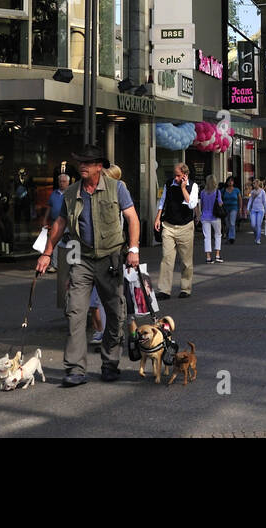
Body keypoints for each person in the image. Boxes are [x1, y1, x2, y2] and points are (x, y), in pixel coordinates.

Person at [35, 144, 140, 386]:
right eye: (80, 162)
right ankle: (75, 369)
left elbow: (132, 217)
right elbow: (61, 222)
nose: (82, 166)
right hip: (81, 259)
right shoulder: (71, 193)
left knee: (115, 313)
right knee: (75, 312)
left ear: (99, 166)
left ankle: (110, 362)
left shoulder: (117, 188)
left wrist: (133, 249)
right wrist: (47, 253)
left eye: (87, 162)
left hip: (111, 258)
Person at [154, 163, 197, 299]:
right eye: (175, 175)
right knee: (166, 258)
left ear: (185, 175)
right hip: (168, 225)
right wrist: (157, 218)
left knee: (186, 260)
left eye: (178, 176)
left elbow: (191, 204)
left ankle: (185, 288)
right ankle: (164, 290)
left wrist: (184, 188)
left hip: (185, 226)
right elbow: (162, 201)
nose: (176, 178)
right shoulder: (169, 184)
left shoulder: (193, 186)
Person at [199, 176, 224, 264]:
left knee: (207, 237)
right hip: (215, 216)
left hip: (205, 216)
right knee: (218, 235)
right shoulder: (217, 192)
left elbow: (201, 204)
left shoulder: (202, 192)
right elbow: (220, 203)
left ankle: (208, 257)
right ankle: (217, 255)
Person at [247, 178, 266, 244]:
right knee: (253, 225)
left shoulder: (262, 192)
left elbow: (264, 202)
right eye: (253, 183)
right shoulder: (252, 192)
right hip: (253, 210)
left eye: (254, 183)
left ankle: (258, 239)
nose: (253, 184)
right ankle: (256, 235)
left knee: (258, 225)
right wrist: (248, 209)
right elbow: (250, 200)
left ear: (258, 184)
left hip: (261, 210)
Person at [222, 176, 241, 244]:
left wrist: (240, 208)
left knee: (232, 223)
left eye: (232, 181)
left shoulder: (236, 190)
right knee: (227, 224)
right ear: (227, 182)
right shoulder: (223, 190)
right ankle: (227, 237)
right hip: (225, 209)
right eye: (229, 181)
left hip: (234, 208)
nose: (230, 182)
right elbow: (220, 199)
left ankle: (232, 237)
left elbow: (239, 199)